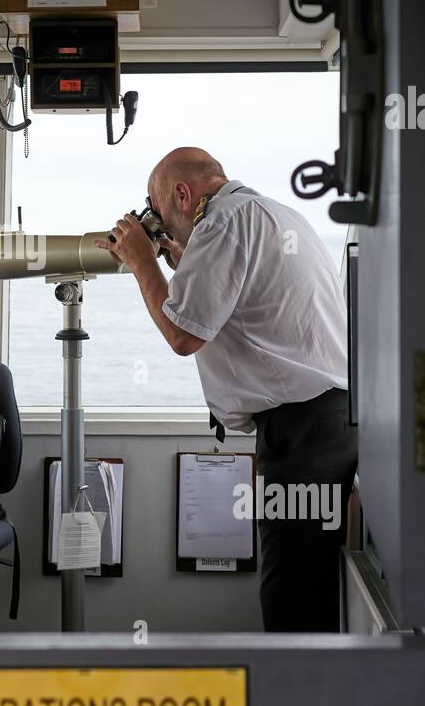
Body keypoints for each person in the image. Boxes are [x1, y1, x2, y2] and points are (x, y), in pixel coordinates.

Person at [97, 146, 357, 633]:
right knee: (308, 579)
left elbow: (182, 335)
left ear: (182, 194)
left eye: (159, 212)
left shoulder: (220, 224)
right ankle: (313, 699)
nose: (162, 227)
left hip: (301, 433)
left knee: (291, 590)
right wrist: (180, 264)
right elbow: (233, 302)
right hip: (328, 423)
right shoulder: (268, 213)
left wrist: (141, 263)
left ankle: (293, 702)